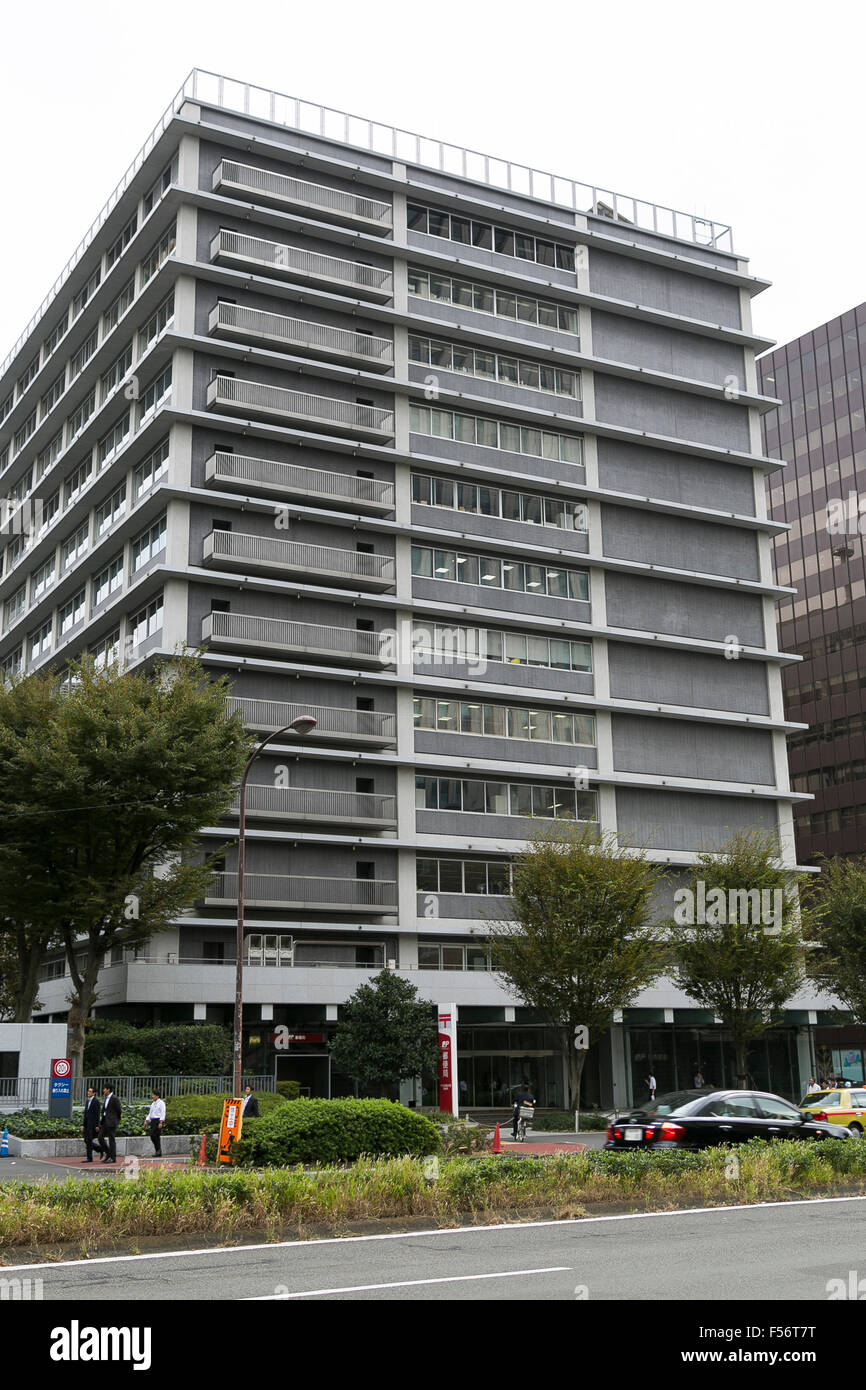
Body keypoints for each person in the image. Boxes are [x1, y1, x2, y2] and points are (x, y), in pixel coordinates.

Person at [99, 1084, 122, 1164]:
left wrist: (118, 1118)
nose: (103, 1090)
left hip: (112, 1121)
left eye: (104, 1089)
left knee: (111, 1139)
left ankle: (113, 1157)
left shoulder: (114, 1098)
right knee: (100, 1137)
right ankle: (108, 1153)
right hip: (105, 1121)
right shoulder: (106, 1098)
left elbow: (118, 1109)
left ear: (108, 1090)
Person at [82, 1087, 103, 1163]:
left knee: (89, 1140)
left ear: (94, 1093)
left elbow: (97, 1114)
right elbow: (86, 1114)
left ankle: (89, 1158)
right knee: (86, 1140)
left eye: (90, 1091)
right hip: (87, 1124)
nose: (88, 1092)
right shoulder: (87, 1101)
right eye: (88, 1091)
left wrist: (97, 1125)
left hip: (93, 1125)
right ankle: (100, 1149)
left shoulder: (96, 1101)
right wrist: (83, 1125)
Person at [145, 1090, 166, 1156]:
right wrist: (147, 1120)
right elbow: (150, 1113)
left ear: (157, 1096)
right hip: (153, 1121)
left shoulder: (161, 1103)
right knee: (155, 1136)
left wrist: (161, 1122)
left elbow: (163, 1112)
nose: (152, 1096)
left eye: (154, 1095)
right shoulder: (153, 1104)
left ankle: (158, 1150)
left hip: (158, 1120)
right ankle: (158, 1151)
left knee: (154, 1135)